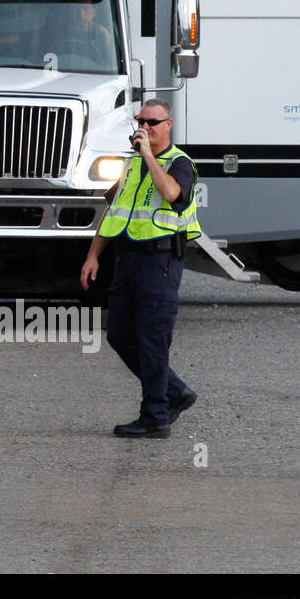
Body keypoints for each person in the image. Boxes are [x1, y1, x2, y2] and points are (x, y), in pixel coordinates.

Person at [80, 98, 201, 438]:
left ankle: (155, 417)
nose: (144, 127)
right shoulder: (132, 164)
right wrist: (93, 256)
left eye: (152, 122)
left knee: (152, 339)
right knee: (119, 334)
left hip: (160, 261)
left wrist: (149, 155)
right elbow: (114, 208)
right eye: (140, 121)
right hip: (128, 260)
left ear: (168, 125)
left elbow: (173, 194)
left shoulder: (180, 164)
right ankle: (174, 391)